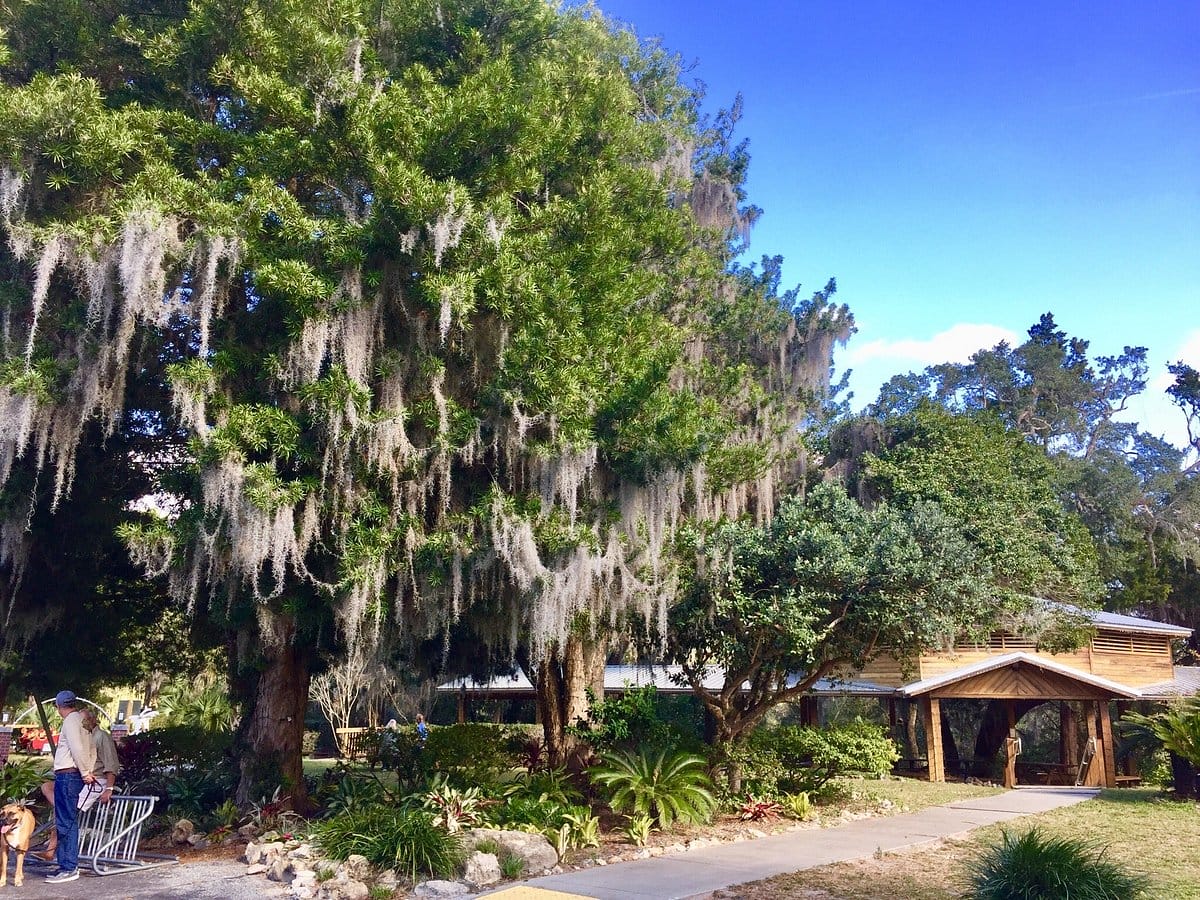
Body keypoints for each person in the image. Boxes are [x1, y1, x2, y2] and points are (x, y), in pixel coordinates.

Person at [34, 707, 119, 860]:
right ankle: (54, 843)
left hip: (96, 780)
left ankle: (52, 851)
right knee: (48, 788)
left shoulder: (101, 737)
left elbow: (111, 764)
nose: (81, 723)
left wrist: (109, 788)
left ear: (93, 720)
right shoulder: (82, 736)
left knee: (66, 814)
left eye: (84, 720)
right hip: (78, 779)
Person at [44, 691, 96, 884]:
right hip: (73, 775)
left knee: (66, 822)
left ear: (59, 706)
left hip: (68, 775)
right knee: (65, 821)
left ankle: (69, 867)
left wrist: (85, 772)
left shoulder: (70, 721)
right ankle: (65, 864)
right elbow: (91, 748)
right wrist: (88, 770)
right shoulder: (81, 720)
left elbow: (77, 748)